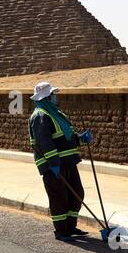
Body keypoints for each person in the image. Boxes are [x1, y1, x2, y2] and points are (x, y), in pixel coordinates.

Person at [28, 82, 94, 240]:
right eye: (53, 95)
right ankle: (61, 231)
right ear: (47, 97)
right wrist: (54, 164)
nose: (56, 97)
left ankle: (71, 227)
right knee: (59, 197)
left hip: (68, 162)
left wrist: (81, 139)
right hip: (53, 166)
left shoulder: (58, 114)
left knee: (77, 193)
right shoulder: (41, 116)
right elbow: (45, 143)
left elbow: (66, 138)